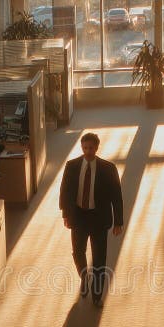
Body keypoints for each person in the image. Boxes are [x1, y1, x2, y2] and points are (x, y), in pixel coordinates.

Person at [59, 132, 124, 307]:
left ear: (96, 148)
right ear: (82, 147)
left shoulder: (108, 168)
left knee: (99, 259)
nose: (88, 151)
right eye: (85, 148)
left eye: (91, 148)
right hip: (79, 216)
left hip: (99, 218)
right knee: (77, 251)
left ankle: (97, 297)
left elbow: (116, 196)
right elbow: (65, 191)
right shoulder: (72, 166)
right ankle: (84, 276)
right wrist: (66, 214)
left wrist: (118, 221)